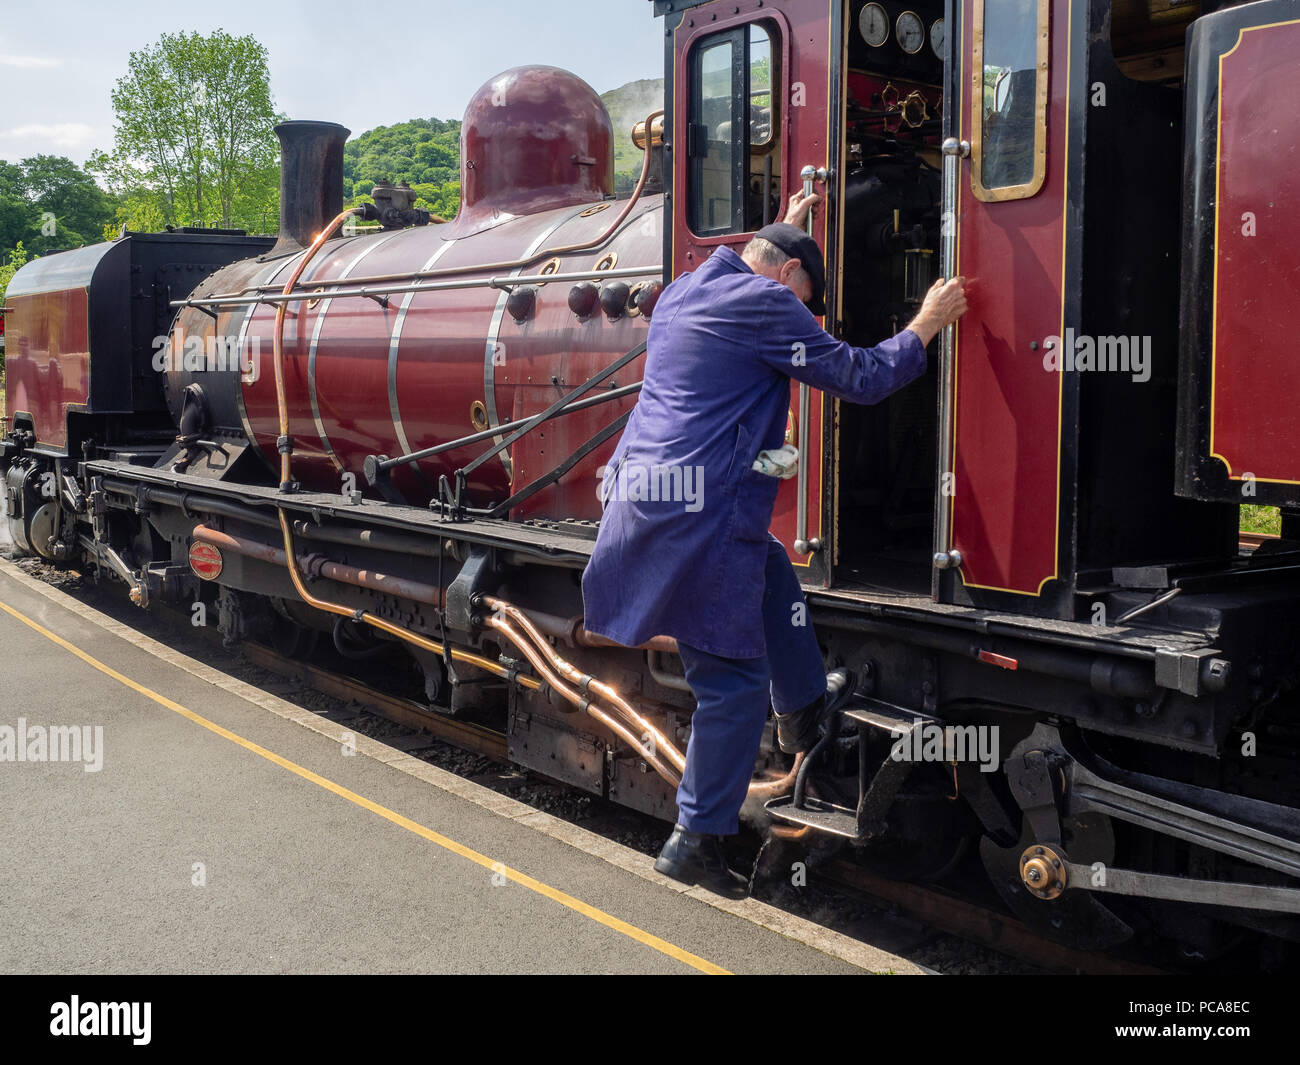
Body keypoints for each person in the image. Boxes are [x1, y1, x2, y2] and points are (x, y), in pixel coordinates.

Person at [581, 191, 968, 897]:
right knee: (730, 683)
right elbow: (862, 376)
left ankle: (801, 706)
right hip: (703, 514)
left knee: (769, 568)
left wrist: (791, 222)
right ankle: (694, 839)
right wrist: (927, 322)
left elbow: (753, 295)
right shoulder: (769, 304)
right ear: (787, 275)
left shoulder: (683, 290)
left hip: (643, 496)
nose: (805, 311)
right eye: (805, 294)